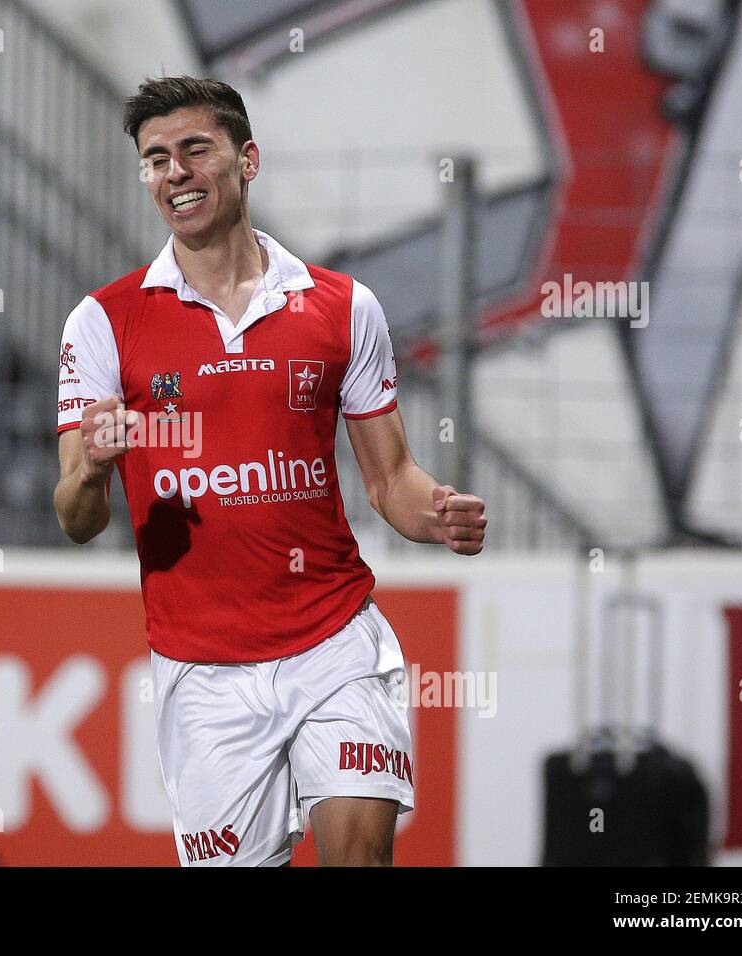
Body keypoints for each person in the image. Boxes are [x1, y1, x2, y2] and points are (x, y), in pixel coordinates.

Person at [53, 76, 487, 867]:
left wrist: (438, 511)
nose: (174, 173)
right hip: (202, 670)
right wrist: (92, 470)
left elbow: (392, 482)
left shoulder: (340, 306)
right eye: (155, 160)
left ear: (247, 159)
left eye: (194, 150)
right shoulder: (103, 322)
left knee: (360, 858)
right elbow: (76, 520)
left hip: (333, 641)